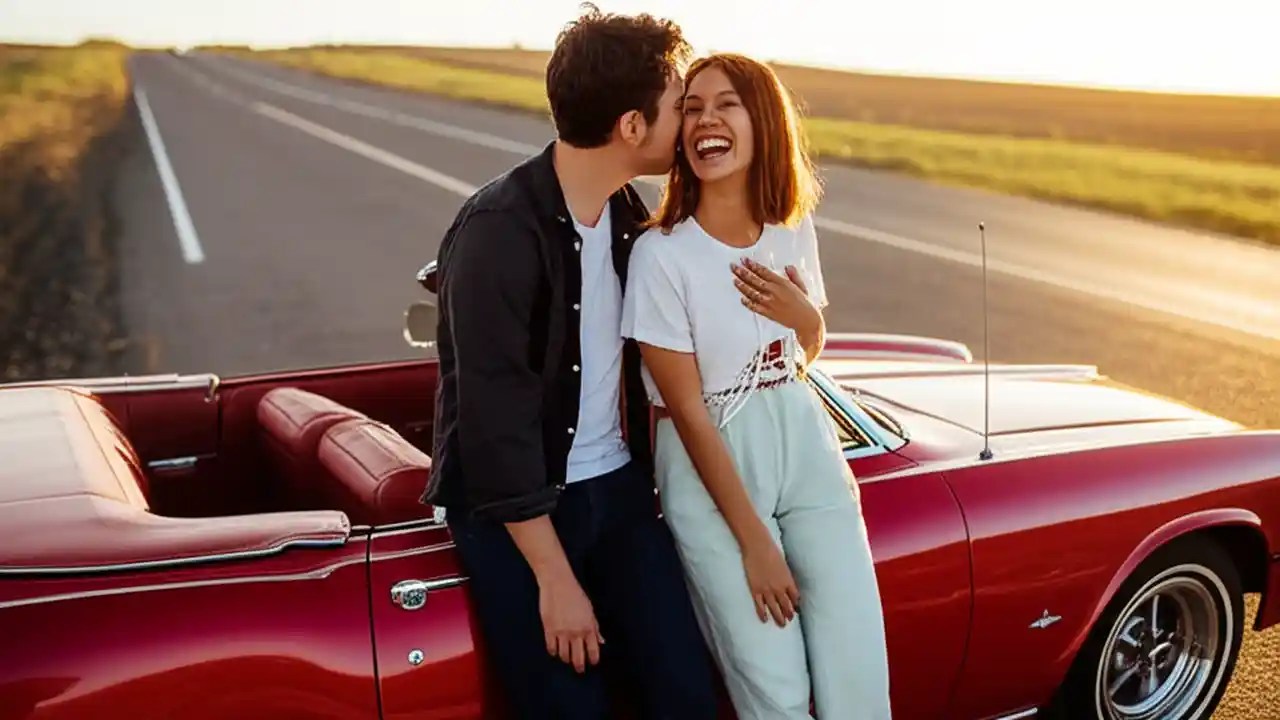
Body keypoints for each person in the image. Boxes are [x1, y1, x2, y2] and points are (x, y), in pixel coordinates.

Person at [421, 5, 718, 720]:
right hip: (517, 515)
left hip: (614, 491)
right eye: (680, 107)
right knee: (569, 707)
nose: (689, 124)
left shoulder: (626, 218)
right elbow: (492, 429)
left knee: (686, 693)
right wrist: (554, 580)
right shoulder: (500, 231)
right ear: (632, 127)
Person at [620, 53, 894, 719]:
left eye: (727, 104)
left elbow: (805, 351)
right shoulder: (662, 254)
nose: (705, 120)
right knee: (774, 688)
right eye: (692, 108)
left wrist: (804, 319)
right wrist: (755, 544)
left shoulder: (791, 227)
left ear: (763, 120)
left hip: (806, 446)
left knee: (855, 667)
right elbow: (683, 407)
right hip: (713, 462)